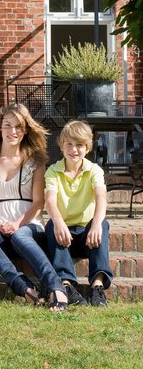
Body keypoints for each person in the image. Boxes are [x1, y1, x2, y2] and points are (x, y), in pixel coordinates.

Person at [0, 104, 68, 311]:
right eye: (8, 125)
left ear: (26, 130)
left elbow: (38, 203)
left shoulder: (35, 160)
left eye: (18, 126)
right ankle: (23, 287)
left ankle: (55, 287)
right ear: (0, 128)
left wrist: (17, 224)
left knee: (20, 236)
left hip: (28, 224)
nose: (13, 131)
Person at [44, 120, 113, 307]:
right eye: (69, 144)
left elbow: (100, 198)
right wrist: (58, 222)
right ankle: (66, 285)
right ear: (61, 145)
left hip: (87, 237)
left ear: (87, 147)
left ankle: (97, 287)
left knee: (102, 224)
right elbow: (50, 200)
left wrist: (97, 224)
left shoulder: (94, 170)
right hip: (63, 237)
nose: (74, 149)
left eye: (79, 145)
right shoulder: (53, 171)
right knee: (51, 225)